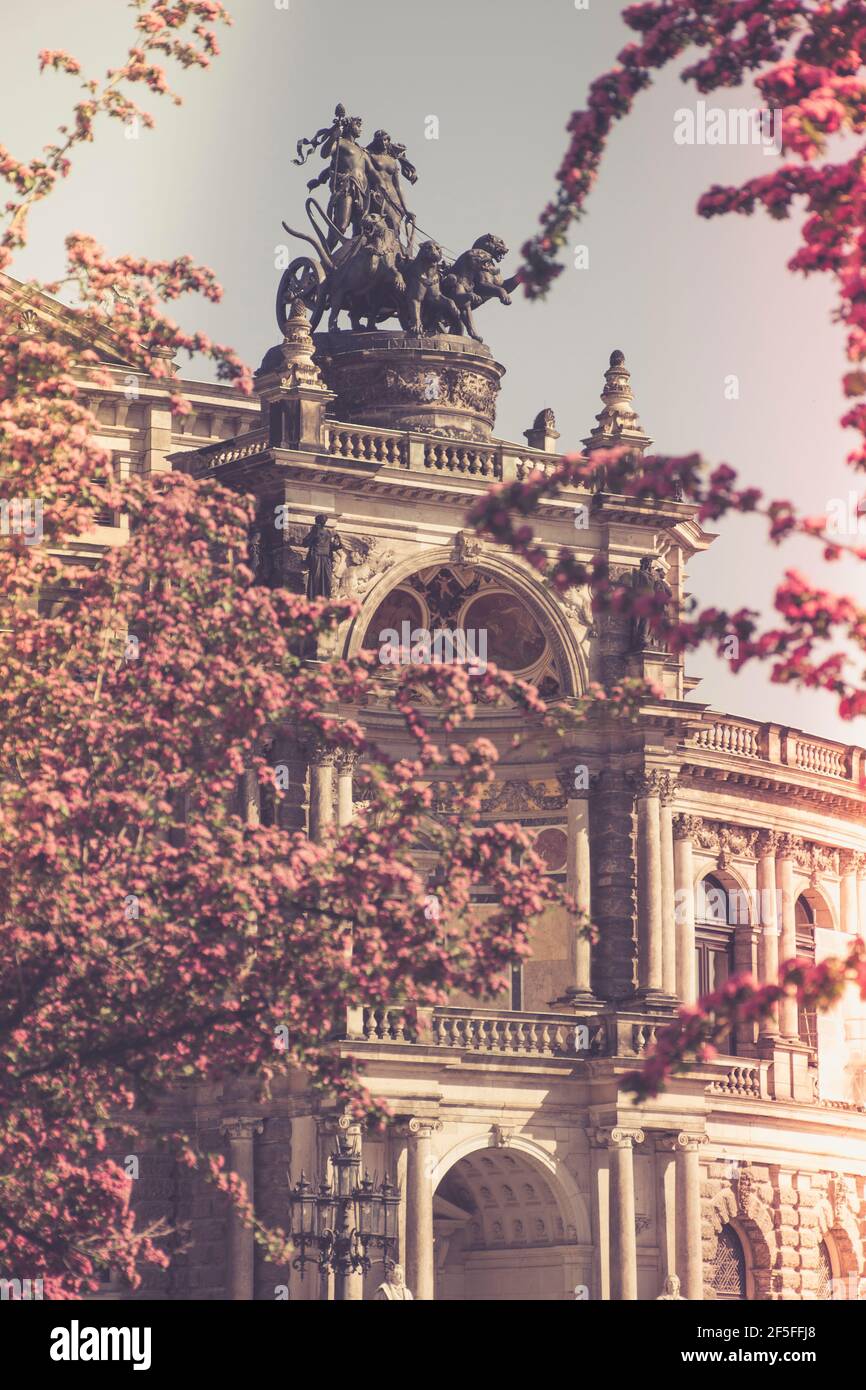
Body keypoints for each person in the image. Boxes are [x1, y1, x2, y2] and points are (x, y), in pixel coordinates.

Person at [302, 514, 342, 600]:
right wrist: (313, 534)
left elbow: (332, 546)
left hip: (325, 559)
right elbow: (305, 543)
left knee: (325, 580)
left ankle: (323, 598)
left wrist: (338, 542)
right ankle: (315, 598)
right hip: (317, 558)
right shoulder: (317, 531)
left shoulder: (327, 533)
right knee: (317, 579)